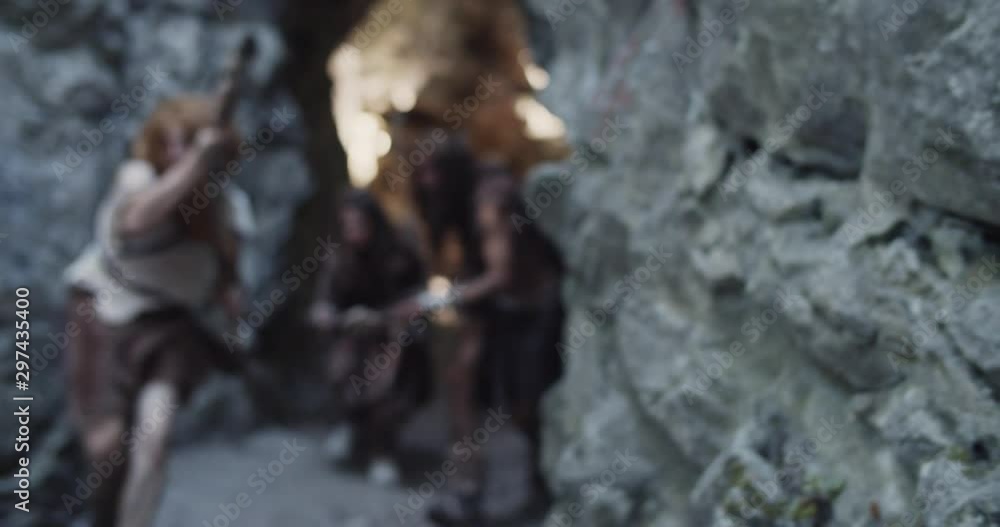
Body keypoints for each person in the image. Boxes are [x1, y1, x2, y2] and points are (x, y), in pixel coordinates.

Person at [63, 95, 254, 526]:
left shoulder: (230, 208)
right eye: (169, 144)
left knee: (154, 441)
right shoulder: (138, 178)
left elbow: (227, 278)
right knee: (106, 447)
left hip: (170, 327)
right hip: (104, 315)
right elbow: (138, 220)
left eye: (185, 145)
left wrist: (232, 317)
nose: (174, 154)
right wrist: (197, 161)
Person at [393, 164, 565, 523]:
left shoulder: (505, 228)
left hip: (530, 321)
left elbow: (500, 277)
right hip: (503, 322)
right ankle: (476, 494)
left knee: (523, 407)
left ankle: (529, 490)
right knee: (489, 405)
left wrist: (435, 301)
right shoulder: (479, 228)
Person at [308, 190, 432, 485]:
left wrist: (385, 318)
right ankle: (349, 423)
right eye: (347, 223)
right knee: (344, 369)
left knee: (388, 389)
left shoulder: (399, 253)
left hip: (394, 337)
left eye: (358, 222)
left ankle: (383, 451)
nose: (353, 230)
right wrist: (329, 314)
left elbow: (418, 300)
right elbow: (324, 300)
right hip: (352, 338)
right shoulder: (340, 256)